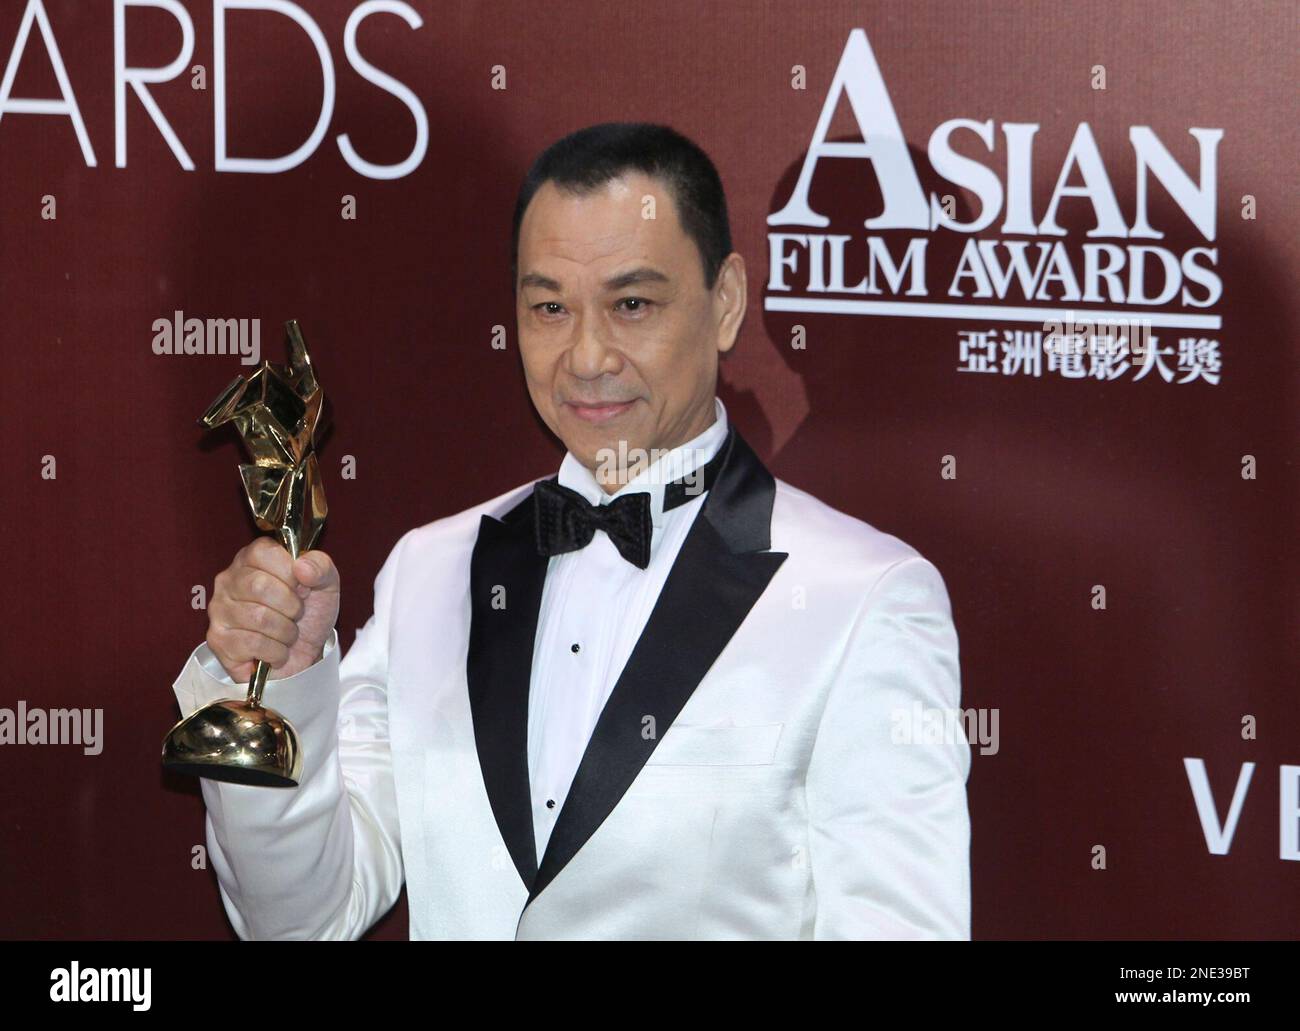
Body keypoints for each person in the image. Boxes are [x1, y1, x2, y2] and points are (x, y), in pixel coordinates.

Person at [171, 121, 971, 940]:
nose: (587, 356)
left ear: (725, 302)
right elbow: (302, 919)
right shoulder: (430, 571)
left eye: (632, 304)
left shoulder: (863, 598)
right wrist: (287, 681)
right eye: (551, 307)